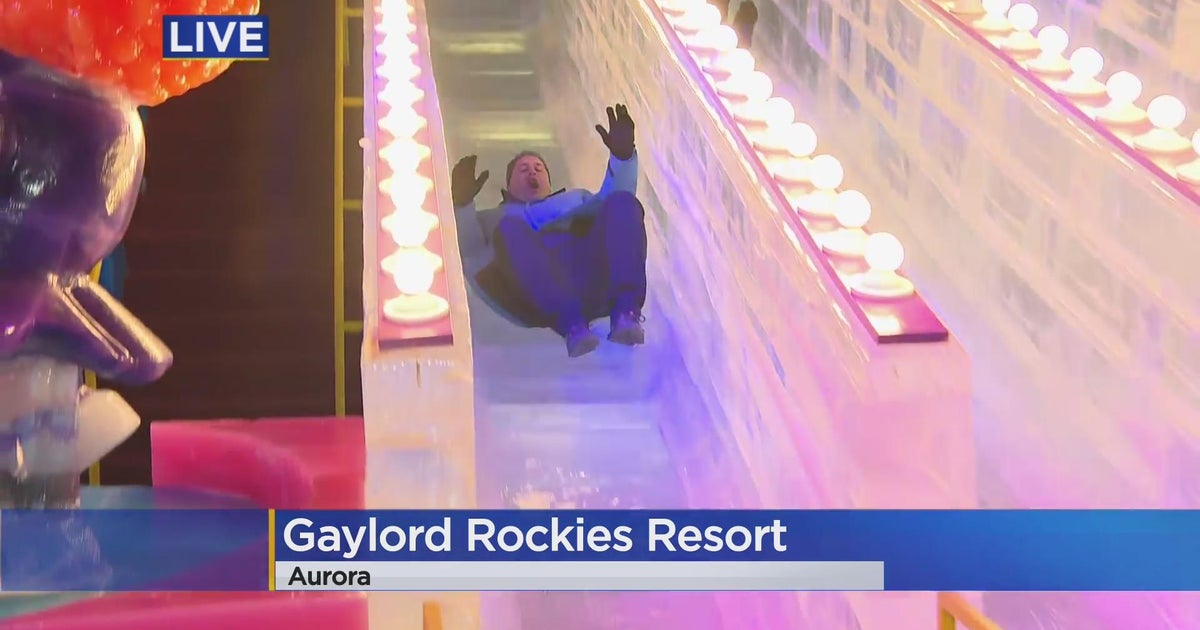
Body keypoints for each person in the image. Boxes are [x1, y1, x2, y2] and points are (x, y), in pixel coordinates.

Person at [452, 104, 648, 358]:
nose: (531, 171)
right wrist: (462, 204)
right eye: (523, 170)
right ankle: (572, 325)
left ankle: (626, 312)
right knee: (511, 229)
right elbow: (469, 251)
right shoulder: (496, 220)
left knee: (623, 201)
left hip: (589, 275)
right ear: (508, 188)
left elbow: (616, 209)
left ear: (549, 182)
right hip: (536, 294)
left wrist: (622, 158)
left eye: (538, 168)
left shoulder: (576, 201)